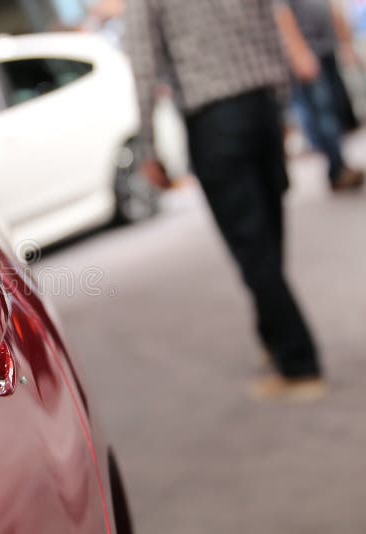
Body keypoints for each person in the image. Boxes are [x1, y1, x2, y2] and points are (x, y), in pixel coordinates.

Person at [125, 0, 325, 400]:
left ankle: (299, 365)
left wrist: (147, 146)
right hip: (262, 107)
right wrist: (280, 105)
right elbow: (273, 21)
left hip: (214, 121)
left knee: (254, 249)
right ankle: (272, 335)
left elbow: (145, 63)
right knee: (268, 234)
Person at [275, 0, 364, 191]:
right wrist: (298, 53)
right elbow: (280, 13)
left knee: (334, 107)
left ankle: (338, 163)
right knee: (322, 111)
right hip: (308, 51)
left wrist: (344, 41)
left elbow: (332, 8)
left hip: (326, 47)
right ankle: (336, 167)